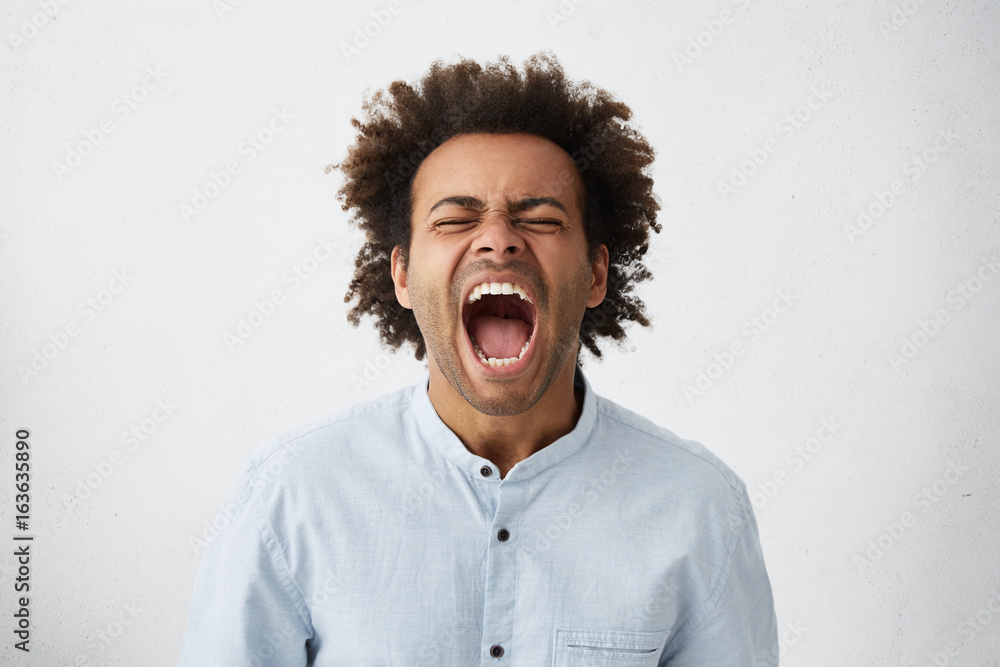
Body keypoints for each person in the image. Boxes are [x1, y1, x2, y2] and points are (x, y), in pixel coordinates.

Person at [179, 52, 778, 666]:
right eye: (457, 218)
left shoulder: (699, 509)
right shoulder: (292, 497)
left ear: (597, 274)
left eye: (540, 218)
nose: (498, 237)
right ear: (404, 277)